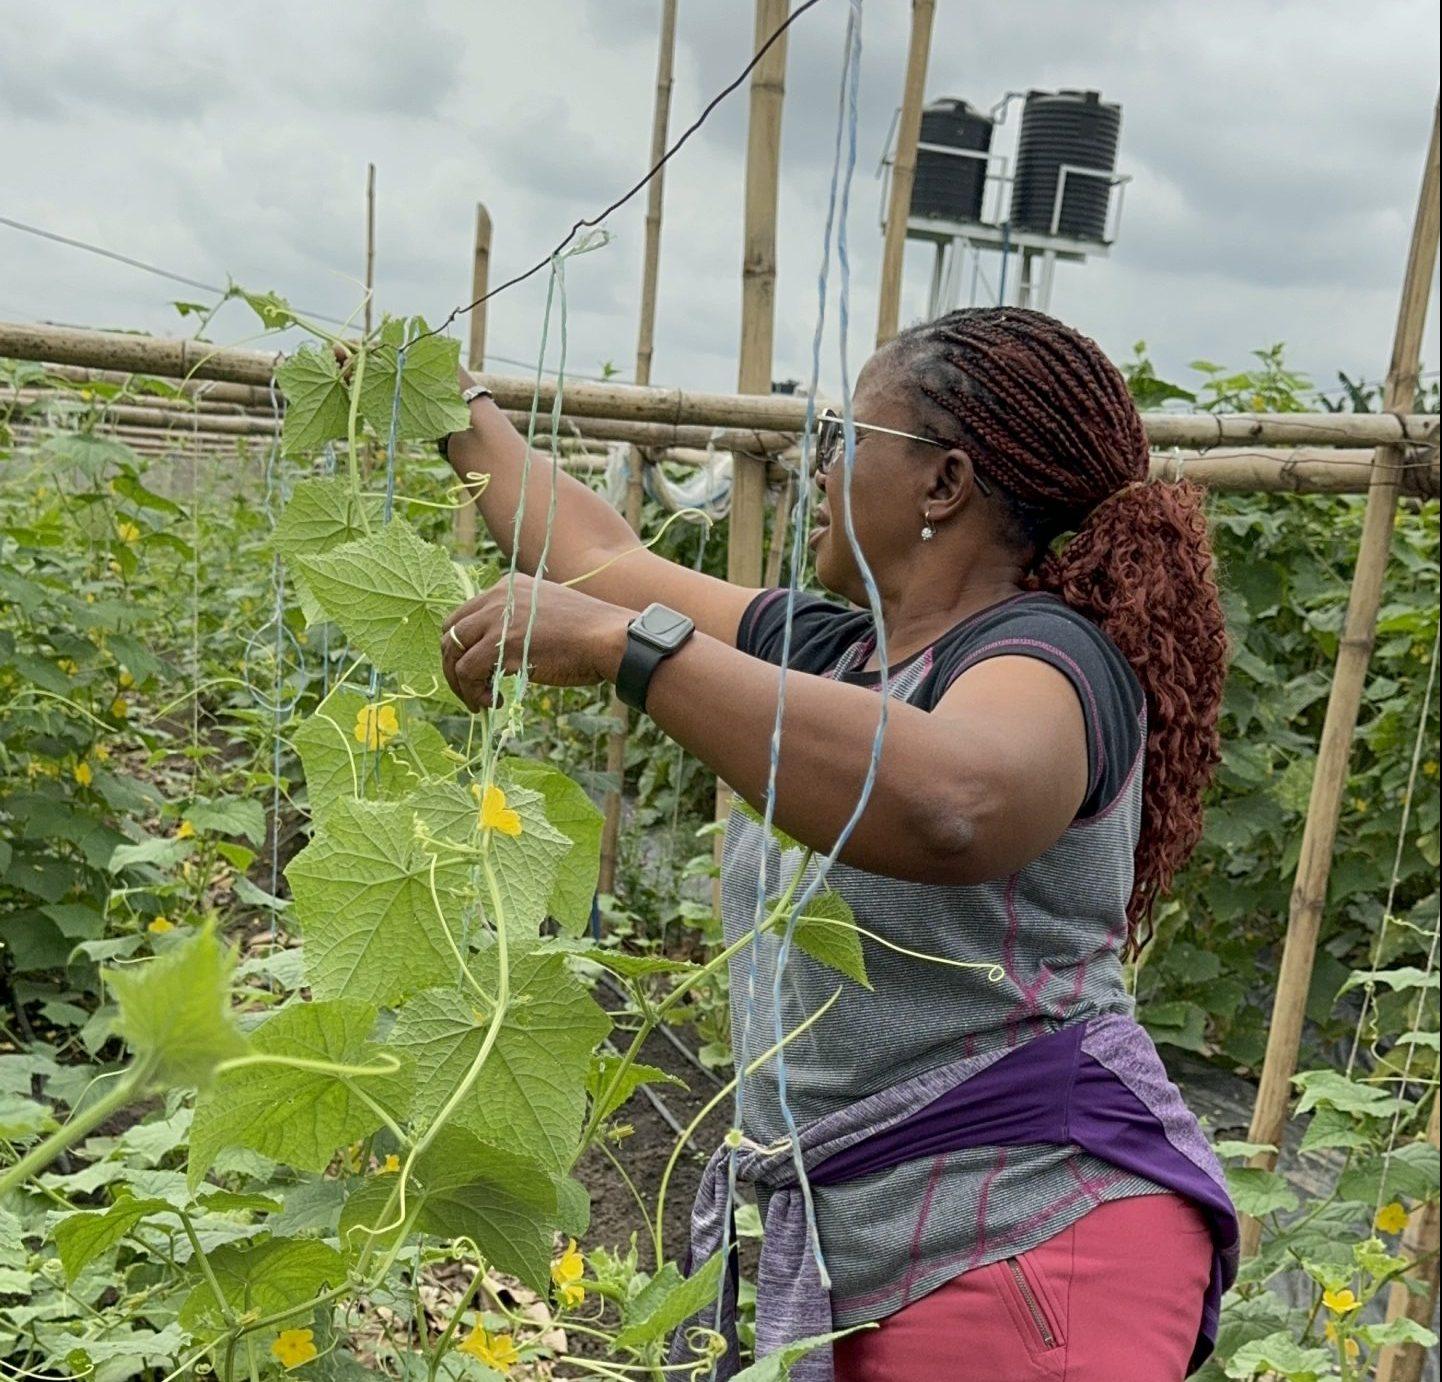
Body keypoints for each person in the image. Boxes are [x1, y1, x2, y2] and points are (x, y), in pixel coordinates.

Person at [437, 307, 1238, 1382]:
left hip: (1033, 1242)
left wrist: (633, 652)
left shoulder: (1047, 656)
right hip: (869, 1244)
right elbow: (596, 557)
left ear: (941, 483)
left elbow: (955, 796)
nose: (816, 466)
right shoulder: (842, 655)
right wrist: (451, 405)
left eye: (840, 438)